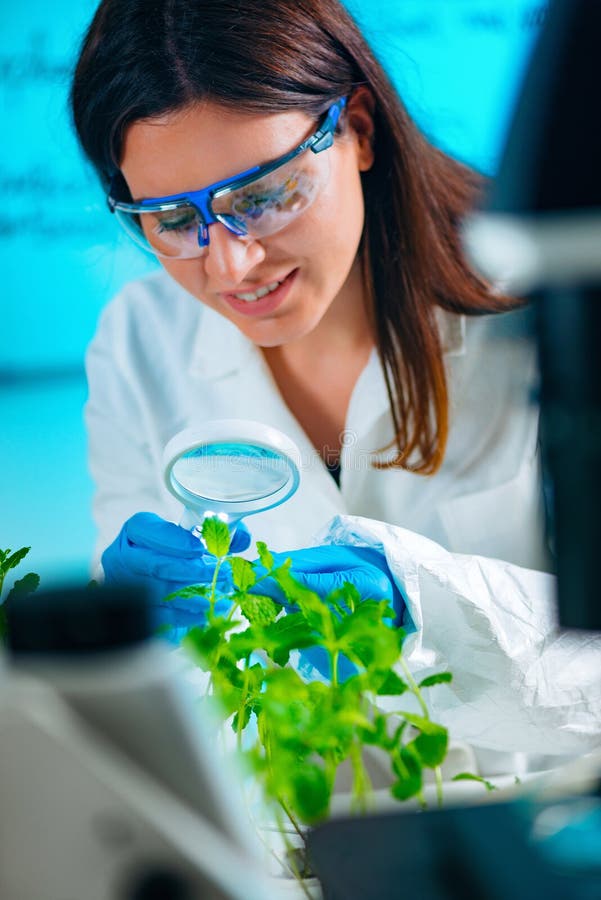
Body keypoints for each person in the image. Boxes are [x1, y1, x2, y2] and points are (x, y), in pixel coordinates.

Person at [70, 0, 600, 771]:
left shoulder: (558, 302)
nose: (229, 267)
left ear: (354, 128)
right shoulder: (138, 340)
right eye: (170, 219)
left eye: (260, 196)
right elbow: (178, 716)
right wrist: (135, 641)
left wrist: (432, 614)